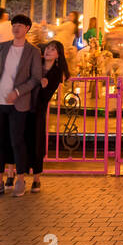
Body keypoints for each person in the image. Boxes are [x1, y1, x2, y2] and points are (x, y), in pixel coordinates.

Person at [0, 14, 43, 198]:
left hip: (18, 103)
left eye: (20, 25)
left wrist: (17, 92)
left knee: (17, 140)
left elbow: (35, 78)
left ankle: (21, 179)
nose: (16, 28)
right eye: (14, 25)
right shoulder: (1, 48)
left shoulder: (32, 52)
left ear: (27, 29)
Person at [27, 40, 71, 190]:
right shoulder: (36, 63)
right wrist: (38, 82)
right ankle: (15, 173)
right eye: (47, 48)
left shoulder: (56, 72)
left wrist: (39, 84)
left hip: (38, 109)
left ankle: (36, 178)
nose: (48, 51)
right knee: (20, 140)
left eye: (52, 50)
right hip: (24, 105)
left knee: (37, 142)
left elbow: (46, 94)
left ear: (58, 55)